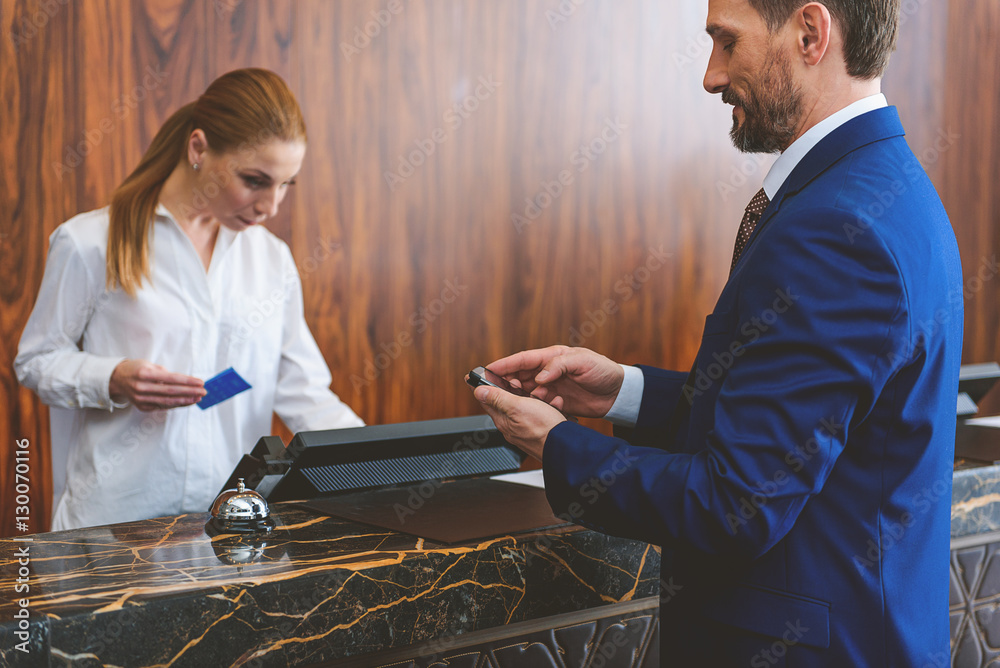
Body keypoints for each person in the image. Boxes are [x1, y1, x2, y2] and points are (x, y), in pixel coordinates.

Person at [471, 0, 962, 665]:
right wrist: (624, 393)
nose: (709, 75)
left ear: (811, 33)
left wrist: (556, 444)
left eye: (727, 42)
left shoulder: (835, 230)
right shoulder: (885, 187)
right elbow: (789, 419)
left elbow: (736, 505)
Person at [16, 68, 364, 531]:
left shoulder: (271, 259)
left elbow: (304, 393)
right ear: (198, 149)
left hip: (231, 528)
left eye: (286, 184)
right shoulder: (89, 243)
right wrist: (112, 377)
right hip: (115, 526)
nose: (271, 206)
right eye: (256, 180)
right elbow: (36, 361)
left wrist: (386, 462)